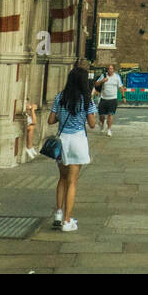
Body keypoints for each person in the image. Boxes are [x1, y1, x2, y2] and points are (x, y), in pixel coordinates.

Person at [48, 64, 98, 232]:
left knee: (62, 178)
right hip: (77, 140)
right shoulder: (86, 100)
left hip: (62, 140)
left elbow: (50, 120)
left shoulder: (60, 97)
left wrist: (62, 118)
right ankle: (67, 221)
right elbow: (92, 124)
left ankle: (58, 213)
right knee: (72, 182)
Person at [95, 64, 122, 136]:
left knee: (110, 115)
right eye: (109, 69)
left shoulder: (117, 77)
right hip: (103, 98)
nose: (110, 70)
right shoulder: (103, 76)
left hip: (113, 99)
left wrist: (123, 96)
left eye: (111, 69)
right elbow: (96, 84)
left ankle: (109, 129)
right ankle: (102, 124)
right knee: (102, 116)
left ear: (113, 70)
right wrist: (102, 81)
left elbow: (120, 87)